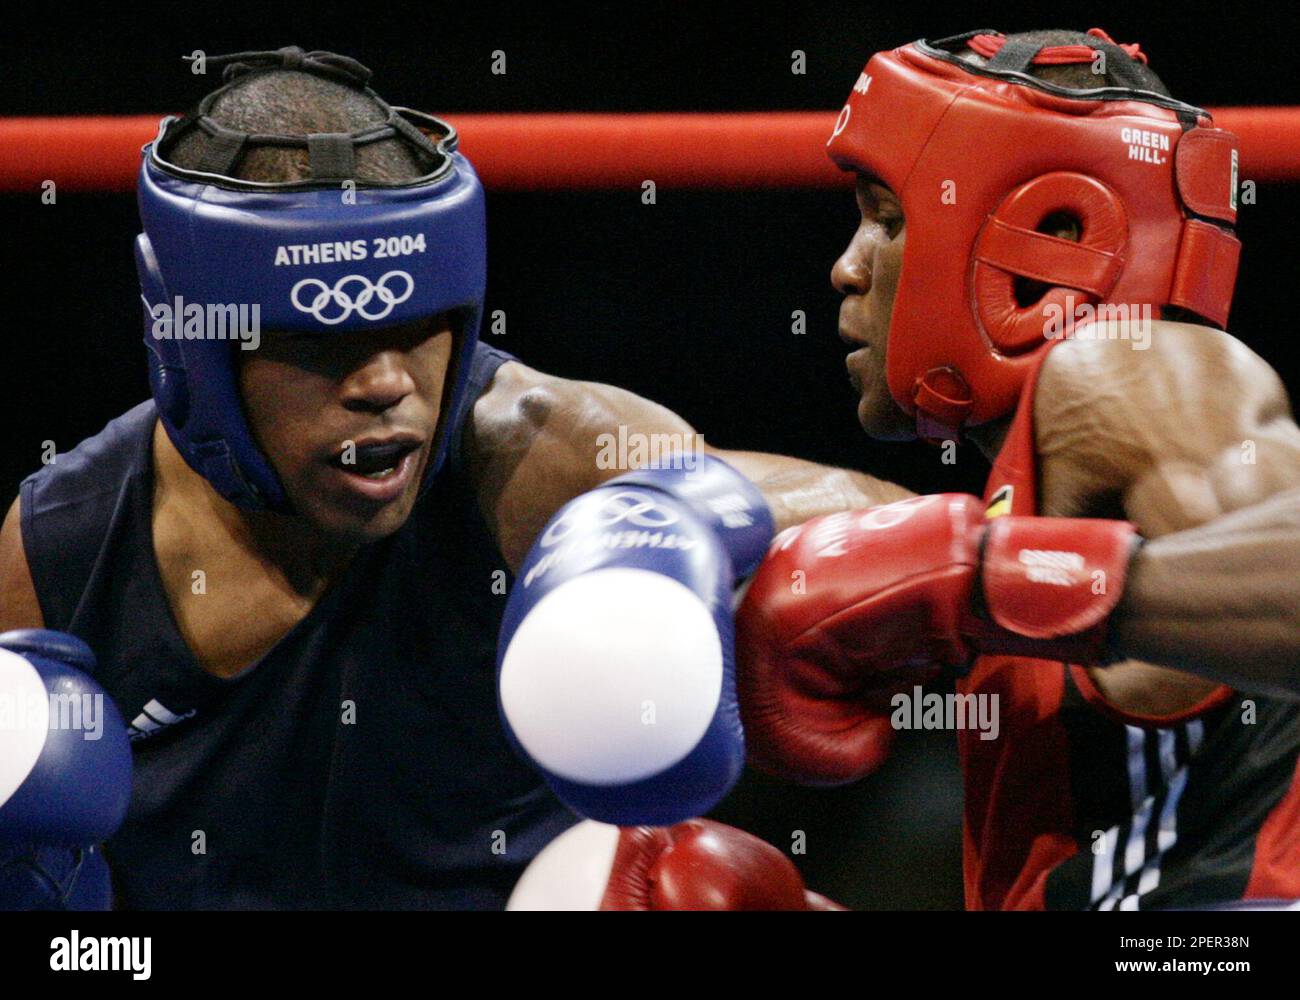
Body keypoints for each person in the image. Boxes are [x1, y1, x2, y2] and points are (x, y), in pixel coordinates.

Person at [0, 47, 906, 909]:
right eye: (324, 338)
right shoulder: (63, 543)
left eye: (420, 326)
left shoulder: (537, 460)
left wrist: (681, 518)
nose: (388, 383)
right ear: (191, 341)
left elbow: (891, 525)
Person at [735, 28, 1300, 910]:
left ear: (1057, 231)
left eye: (886, 217)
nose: (846, 268)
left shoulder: (1128, 370)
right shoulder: (1033, 489)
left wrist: (987, 584)